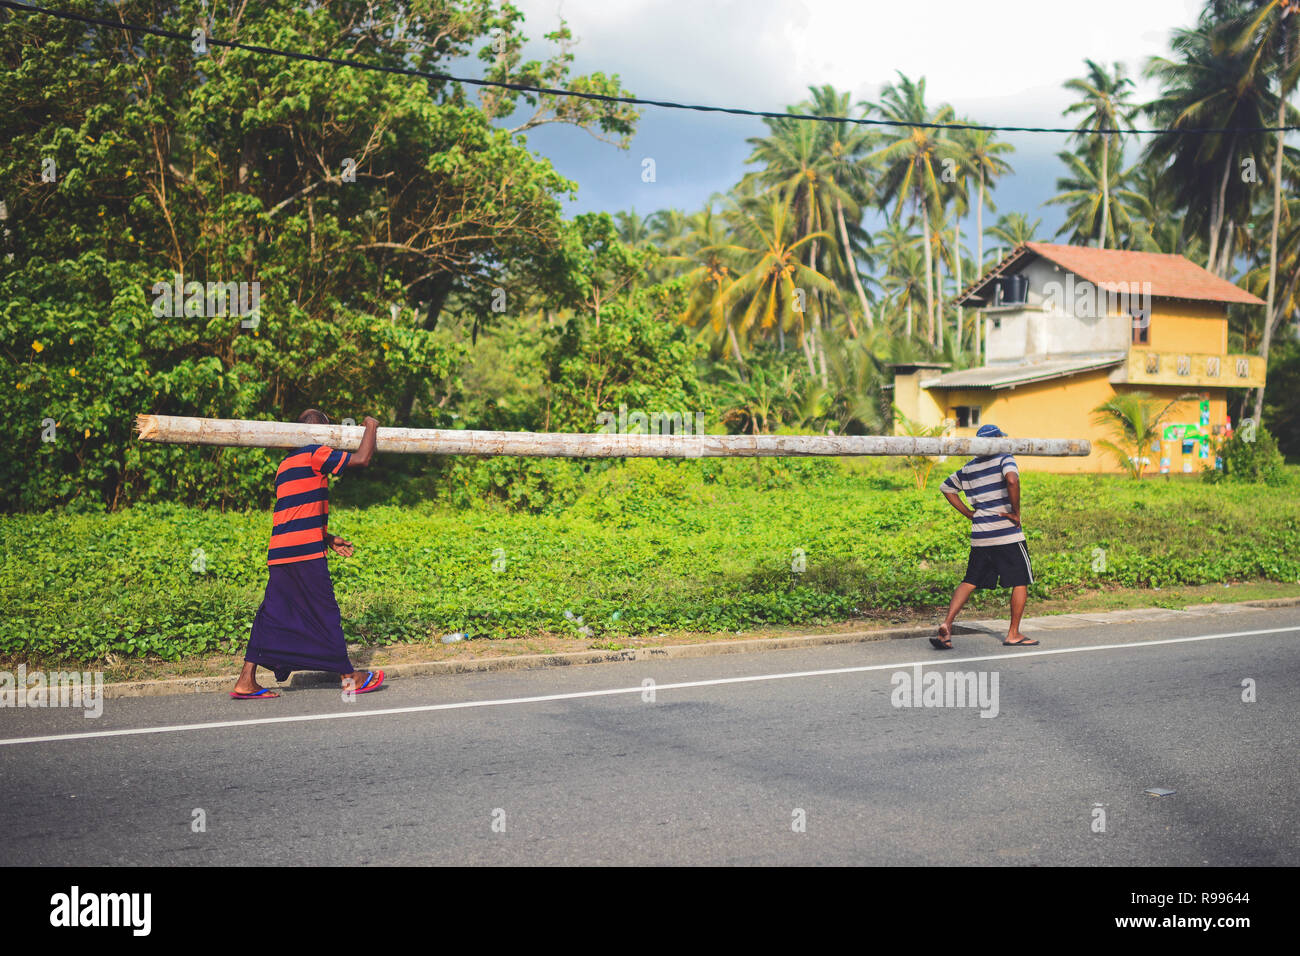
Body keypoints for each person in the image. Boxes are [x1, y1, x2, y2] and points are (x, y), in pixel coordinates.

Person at [230, 410, 386, 699]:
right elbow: (362, 459)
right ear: (319, 431)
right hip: (304, 555)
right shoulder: (315, 454)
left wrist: (327, 538)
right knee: (325, 611)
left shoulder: (285, 464)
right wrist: (371, 426)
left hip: (280, 553)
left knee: (270, 615)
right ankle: (348, 676)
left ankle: (245, 680)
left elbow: (294, 513)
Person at [931, 423, 1039, 650]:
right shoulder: (1004, 458)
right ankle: (1013, 634)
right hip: (1006, 534)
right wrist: (1016, 512)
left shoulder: (970, 468)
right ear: (997, 440)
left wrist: (970, 514)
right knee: (1020, 581)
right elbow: (1012, 480)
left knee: (970, 581)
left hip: (980, 535)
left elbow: (946, 487)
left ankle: (946, 626)